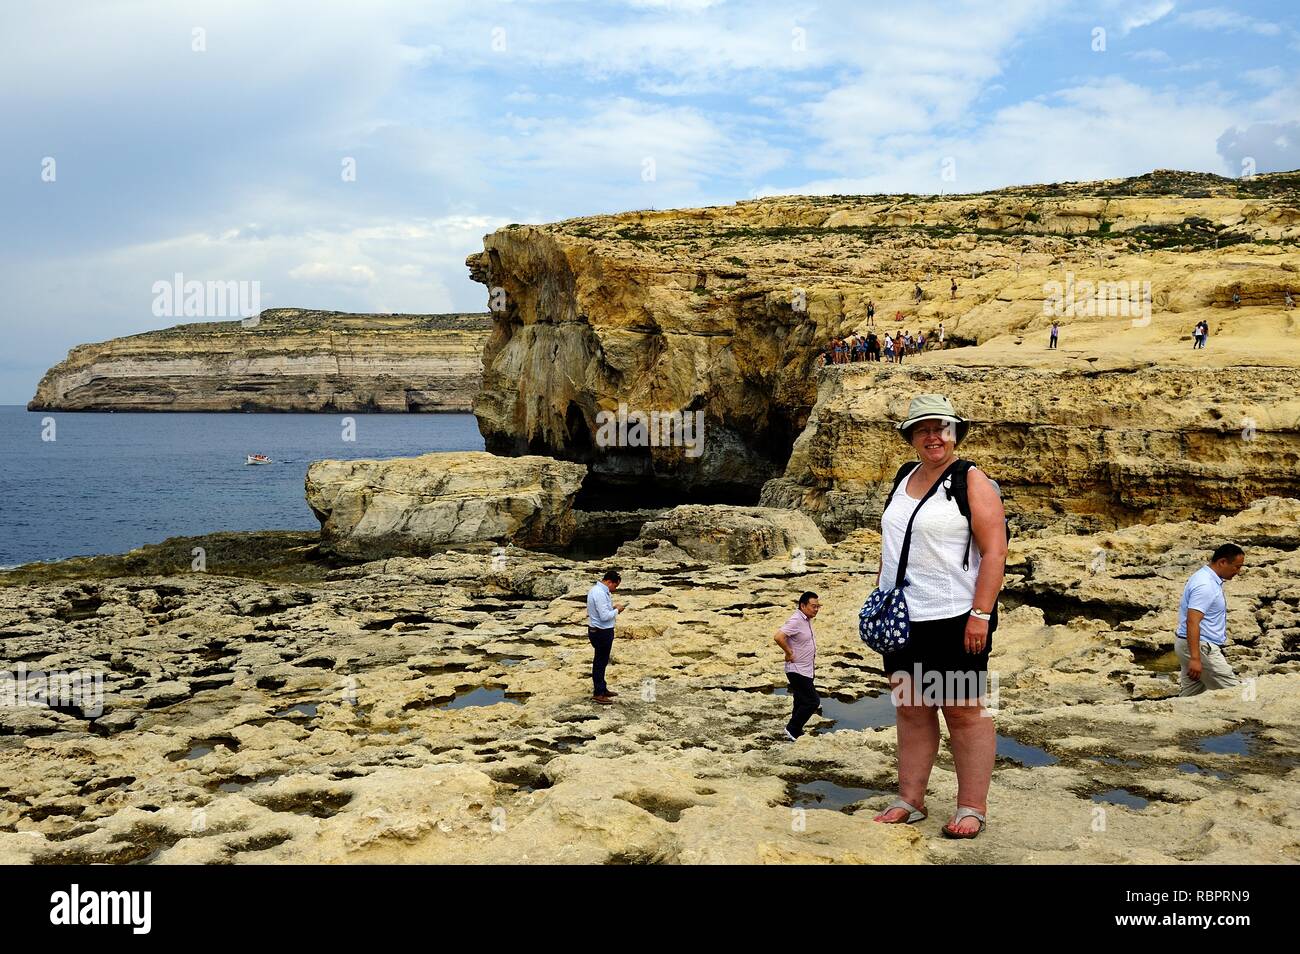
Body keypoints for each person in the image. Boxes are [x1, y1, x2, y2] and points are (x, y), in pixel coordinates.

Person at [872, 394, 1008, 838]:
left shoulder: (971, 480)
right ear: (911, 437)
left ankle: (971, 807)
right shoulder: (903, 477)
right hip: (903, 619)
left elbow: (995, 551)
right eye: (923, 429)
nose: (933, 436)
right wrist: (880, 597)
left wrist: (981, 614)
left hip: (954, 617)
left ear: (954, 434)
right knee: (911, 707)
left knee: (964, 710)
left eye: (941, 428)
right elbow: (892, 548)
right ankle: (910, 800)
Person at [1175, 545, 1245, 696]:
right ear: (1222, 562)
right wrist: (1195, 658)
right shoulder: (1205, 584)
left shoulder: (1206, 578)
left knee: (1191, 698)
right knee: (1238, 694)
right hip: (1200, 648)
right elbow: (1192, 621)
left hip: (1189, 645)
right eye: (1237, 567)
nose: (1238, 572)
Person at [774, 592, 821, 739]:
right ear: (803, 605)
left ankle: (796, 731)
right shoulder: (796, 619)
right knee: (812, 701)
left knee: (800, 700)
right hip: (797, 669)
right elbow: (778, 637)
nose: (816, 609)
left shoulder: (806, 619)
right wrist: (788, 652)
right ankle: (792, 728)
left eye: (818, 606)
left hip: (806, 669)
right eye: (813, 606)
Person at [586, 569, 626, 704]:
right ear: (609, 582)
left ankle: (602, 689)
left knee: (602, 661)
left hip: (601, 630)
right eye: (615, 586)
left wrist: (612, 608)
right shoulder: (599, 593)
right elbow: (604, 617)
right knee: (599, 662)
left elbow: (601, 612)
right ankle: (598, 693)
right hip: (601, 631)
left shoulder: (600, 591)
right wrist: (617, 610)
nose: (614, 589)